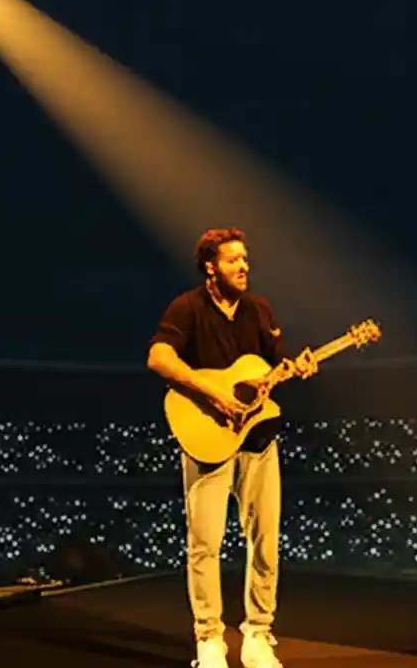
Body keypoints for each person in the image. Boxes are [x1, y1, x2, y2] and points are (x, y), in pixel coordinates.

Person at [146, 228, 318, 668]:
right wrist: (213, 393)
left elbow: (274, 365)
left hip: (258, 440)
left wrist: (298, 366)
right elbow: (160, 359)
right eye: (233, 260)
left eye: (246, 258)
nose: (244, 266)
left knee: (265, 541)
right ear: (210, 267)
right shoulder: (186, 308)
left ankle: (258, 634)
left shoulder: (259, 309)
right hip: (207, 438)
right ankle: (209, 639)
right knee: (204, 543)